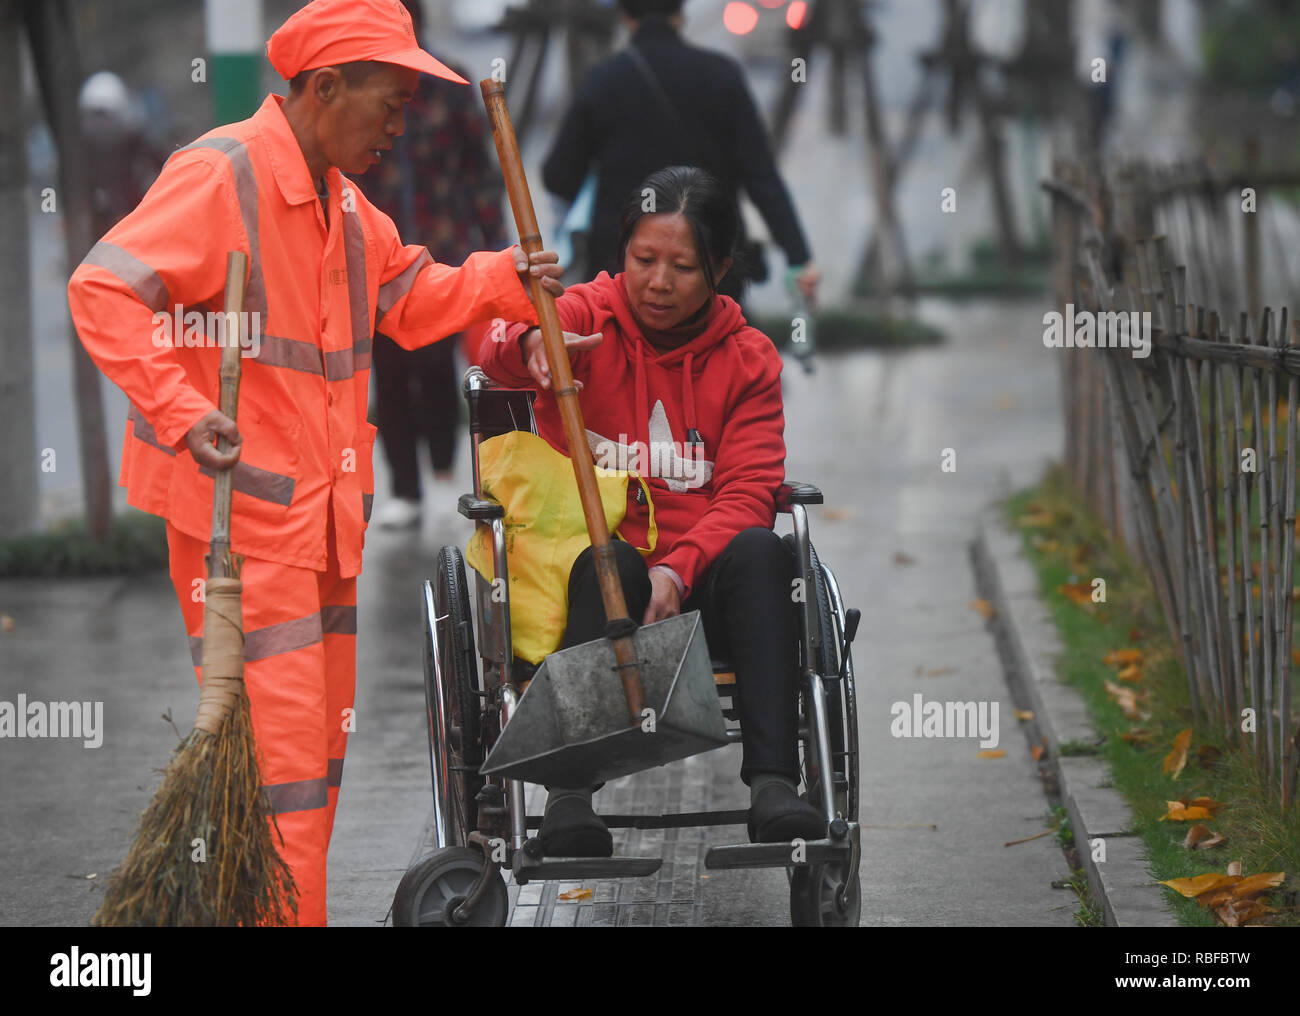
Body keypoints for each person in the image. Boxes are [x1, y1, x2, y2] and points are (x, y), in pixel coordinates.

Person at [66, 0, 564, 925]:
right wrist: (182, 411)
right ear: (326, 88)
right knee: (286, 779)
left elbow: (412, 298)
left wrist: (508, 278)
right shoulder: (222, 175)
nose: (400, 121)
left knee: (310, 779)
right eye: (390, 98)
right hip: (246, 532)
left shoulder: (339, 201)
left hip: (319, 527)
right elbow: (101, 289)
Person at [479, 165, 825, 855]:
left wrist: (679, 570)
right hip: (598, 572)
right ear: (621, 256)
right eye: (643, 260)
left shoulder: (749, 360)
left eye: (683, 266)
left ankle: (775, 787)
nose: (658, 282)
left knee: (765, 550)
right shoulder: (580, 316)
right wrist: (527, 347)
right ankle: (571, 793)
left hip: (706, 585)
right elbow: (489, 344)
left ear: (721, 269)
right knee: (610, 559)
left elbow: (750, 492)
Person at [541, 0, 820, 311]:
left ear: (623, 14)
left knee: (626, 358)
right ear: (681, 13)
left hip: (623, 271)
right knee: (714, 354)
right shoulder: (723, 76)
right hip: (709, 265)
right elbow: (762, 177)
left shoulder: (603, 80)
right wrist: (799, 258)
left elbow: (559, 178)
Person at [364, 0, 511, 529]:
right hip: (378, 256)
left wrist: (496, 244)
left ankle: (448, 465)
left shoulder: (450, 84)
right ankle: (404, 488)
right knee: (391, 372)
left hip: (442, 251)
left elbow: (480, 170)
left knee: (438, 363)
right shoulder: (365, 88)